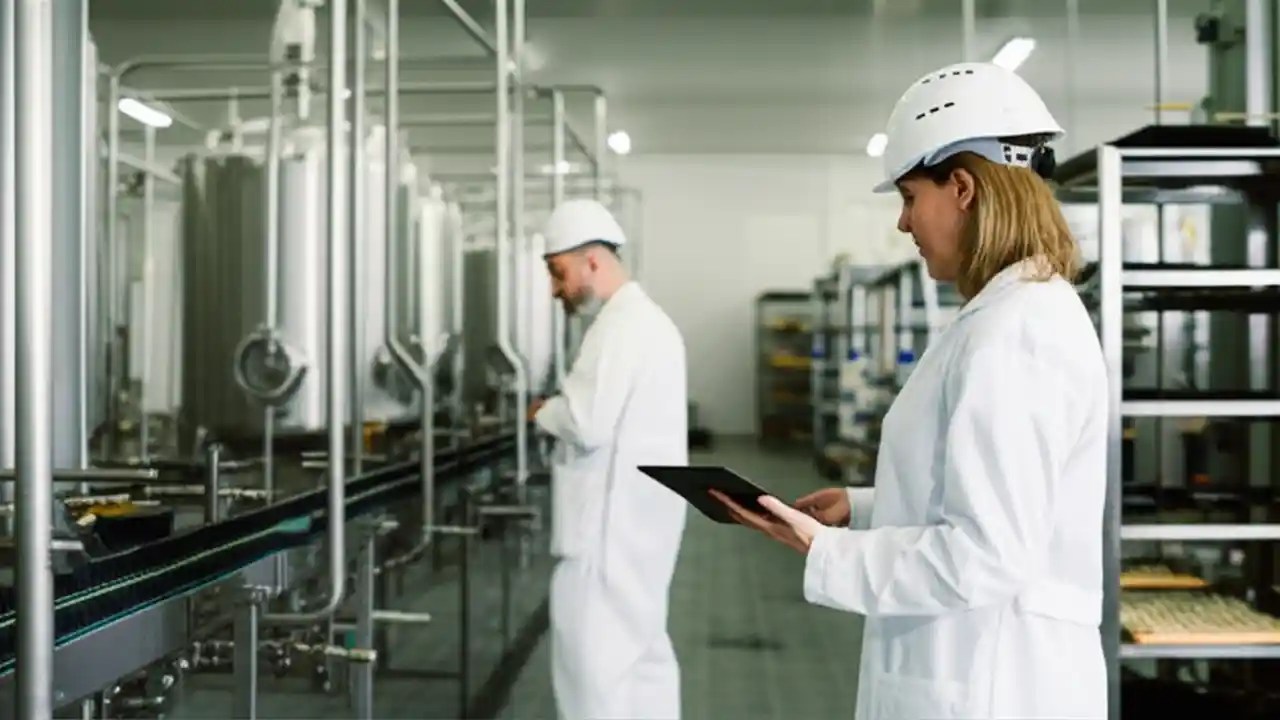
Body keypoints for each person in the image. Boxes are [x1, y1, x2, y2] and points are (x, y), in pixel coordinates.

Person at [713, 61, 1108, 720]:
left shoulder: (1015, 333)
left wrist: (825, 549)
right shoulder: (1005, 316)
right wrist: (864, 507)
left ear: (962, 189)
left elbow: (988, 553)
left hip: (992, 684)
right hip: (977, 670)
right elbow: (984, 497)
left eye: (908, 197)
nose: (903, 223)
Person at [528, 198, 689, 720]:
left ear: (592, 261)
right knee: (642, 676)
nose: (555, 290)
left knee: (593, 688)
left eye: (559, 273)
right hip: (639, 539)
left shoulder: (620, 327)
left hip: (603, 544)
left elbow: (585, 422)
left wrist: (544, 411)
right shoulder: (651, 323)